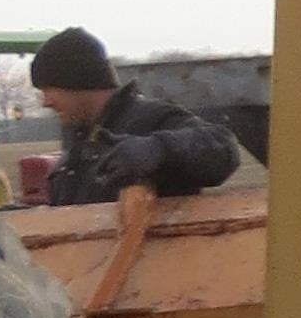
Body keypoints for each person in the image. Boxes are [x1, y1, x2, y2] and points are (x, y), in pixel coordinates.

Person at [28, 28, 240, 209]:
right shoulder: (76, 152)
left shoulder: (150, 119)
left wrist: (159, 149)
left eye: (48, 88)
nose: (45, 102)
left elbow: (223, 148)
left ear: (76, 81)